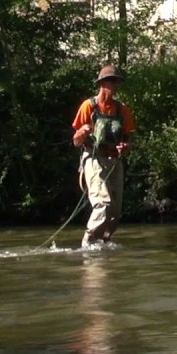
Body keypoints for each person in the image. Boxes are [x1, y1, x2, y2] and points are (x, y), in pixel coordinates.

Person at [71, 64, 135, 248]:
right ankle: (88, 243)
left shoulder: (122, 110)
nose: (116, 85)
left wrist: (126, 147)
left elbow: (129, 140)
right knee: (103, 203)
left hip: (115, 162)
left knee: (115, 212)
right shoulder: (88, 106)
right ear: (102, 84)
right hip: (93, 159)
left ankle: (104, 243)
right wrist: (82, 133)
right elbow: (75, 141)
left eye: (118, 82)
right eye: (113, 81)